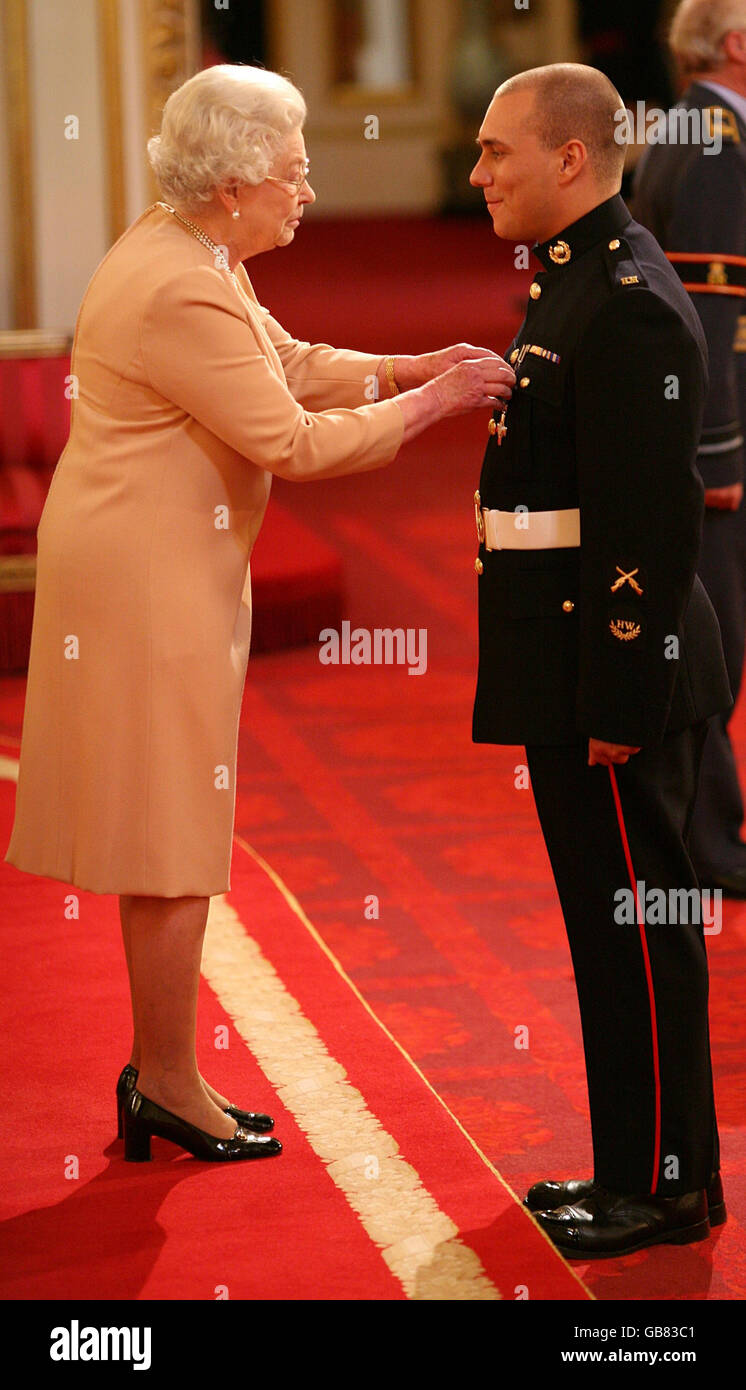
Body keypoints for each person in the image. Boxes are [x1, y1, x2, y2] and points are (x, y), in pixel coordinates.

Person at [4, 63, 515, 1164]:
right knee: (171, 835)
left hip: (154, 568)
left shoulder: (190, 246)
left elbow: (284, 362)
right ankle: (169, 1080)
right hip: (146, 586)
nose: (308, 190)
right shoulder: (181, 277)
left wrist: (402, 366)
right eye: (294, 170)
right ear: (234, 180)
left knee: (170, 826)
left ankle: (164, 1070)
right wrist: (435, 403)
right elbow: (288, 439)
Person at [470, 62, 732, 1256]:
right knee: (607, 932)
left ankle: (670, 1186)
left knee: (639, 932)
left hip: (613, 677)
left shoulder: (620, 296)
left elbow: (646, 524)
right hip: (572, 666)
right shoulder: (575, 277)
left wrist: (618, 693)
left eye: (494, 153)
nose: (476, 175)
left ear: (567, 159)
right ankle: (629, 1169)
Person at [632, 0, 746, 896]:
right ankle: (708, 850)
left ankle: (707, 840)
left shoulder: (696, 127)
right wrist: (718, 455)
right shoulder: (712, 141)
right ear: (736, 44)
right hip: (717, 445)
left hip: (711, 434)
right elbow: (709, 312)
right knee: (718, 643)